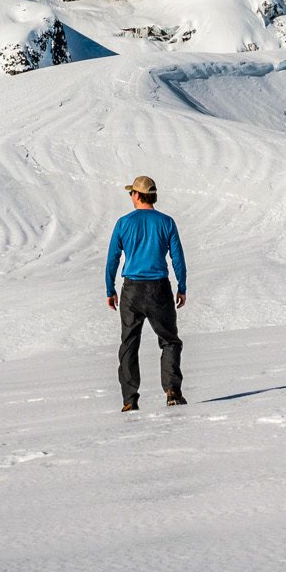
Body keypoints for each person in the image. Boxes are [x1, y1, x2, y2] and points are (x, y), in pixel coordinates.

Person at [105, 175, 187, 411]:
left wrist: (110, 289)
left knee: (129, 343)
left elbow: (113, 258)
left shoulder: (123, 223)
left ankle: (129, 399)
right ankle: (172, 391)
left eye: (132, 193)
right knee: (169, 341)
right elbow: (177, 257)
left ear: (138, 195)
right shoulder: (166, 222)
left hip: (131, 289)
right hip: (159, 288)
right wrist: (182, 286)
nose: (131, 196)